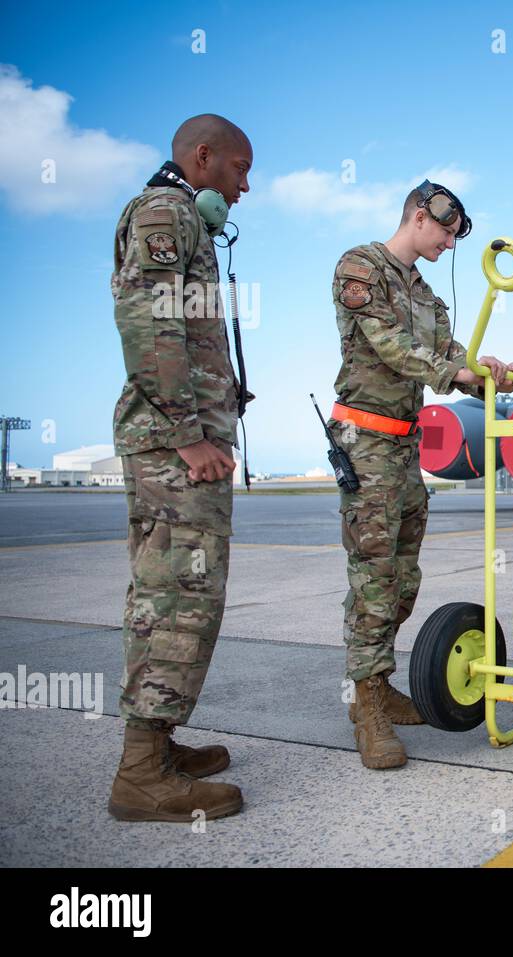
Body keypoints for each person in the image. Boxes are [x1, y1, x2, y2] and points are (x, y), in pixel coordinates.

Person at [329, 179, 513, 770]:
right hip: (364, 439)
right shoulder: (359, 266)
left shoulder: (427, 295)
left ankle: (379, 681)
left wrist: (488, 366)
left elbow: (452, 355)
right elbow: (389, 346)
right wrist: (456, 375)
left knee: (403, 578)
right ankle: (366, 703)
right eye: (445, 231)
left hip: (403, 444)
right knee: (373, 577)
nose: (448, 243)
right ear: (420, 216)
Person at [108, 114, 253, 822]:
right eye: (238, 169)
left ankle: (157, 744)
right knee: (176, 596)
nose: (245, 185)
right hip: (175, 449)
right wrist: (187, 431)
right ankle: (140, 772)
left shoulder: (182, 220)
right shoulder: (166, 212)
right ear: (203, 158)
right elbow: (151, 326)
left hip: (178, 439)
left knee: (179, 591)